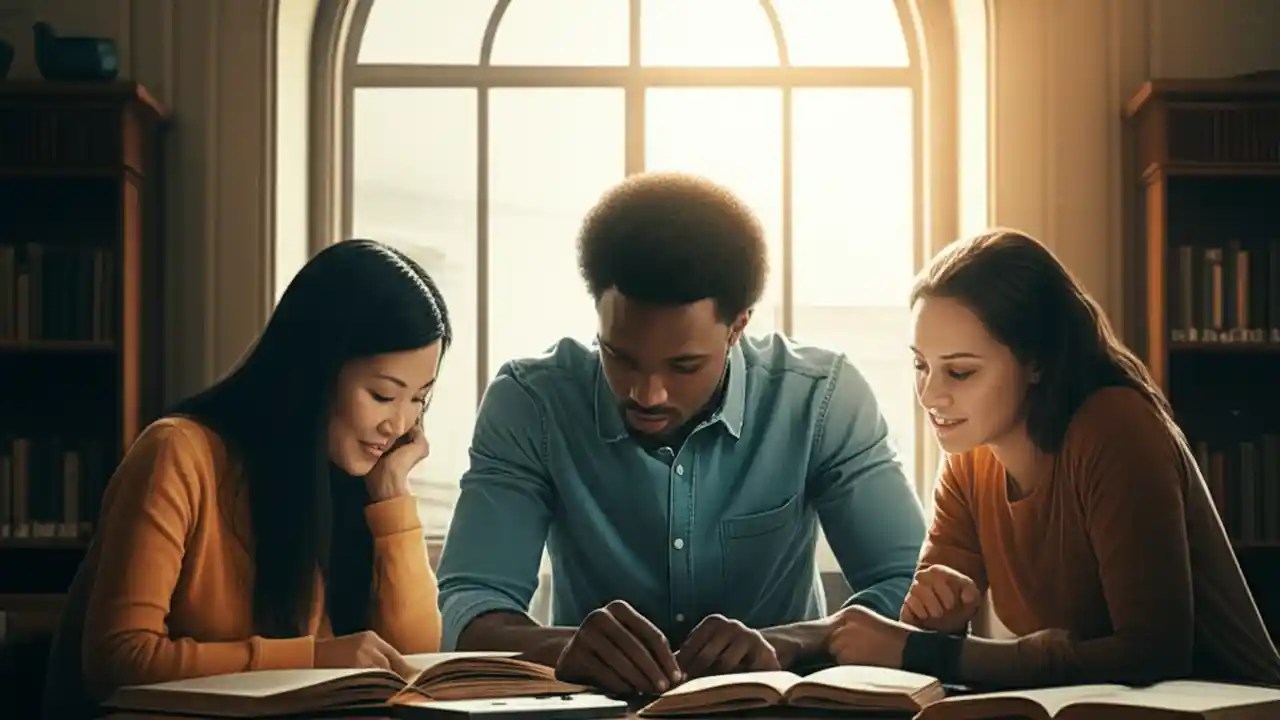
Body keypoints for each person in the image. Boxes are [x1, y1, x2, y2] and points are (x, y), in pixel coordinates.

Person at [436, 172, 926, 696]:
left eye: (684, 365)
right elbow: (471, 606)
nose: (647, 394)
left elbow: (914, 590)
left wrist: (792, 644)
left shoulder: (820, 400)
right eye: (619, 357)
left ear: (738, 326)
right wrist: (562, 648)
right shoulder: (531, 403)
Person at [825, 229, 1280, 688]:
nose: (930, 395)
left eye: (960, 372)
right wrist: (937, 618)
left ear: (1037, 361)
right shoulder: (967, 459)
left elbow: (1154, 653)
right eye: (921, 365)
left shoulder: (1114, 426)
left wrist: (927, 649)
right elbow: (932, 636)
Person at [41, 239, 451, 719]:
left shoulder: (348, 475)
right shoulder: (179, 453)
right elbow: (118, 658)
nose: (399, 425)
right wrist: (312, 658)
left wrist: (392, 497)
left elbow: (414, 660)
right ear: (315, 371)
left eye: (419, 400)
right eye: (383, 395)